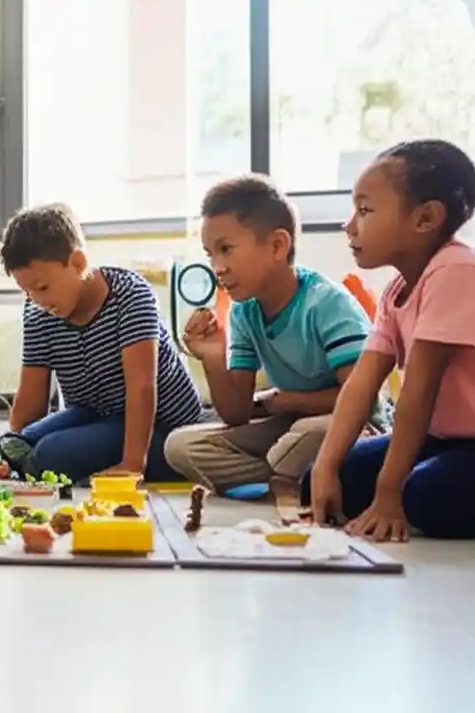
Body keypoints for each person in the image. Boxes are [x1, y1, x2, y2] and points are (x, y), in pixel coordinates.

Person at [305, 139, 475, 541]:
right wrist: (327, 467)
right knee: (321, 481)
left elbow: (418, 393)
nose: (349, 226)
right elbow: (361, 385)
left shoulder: (458, 271)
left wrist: (388, 495)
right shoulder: (397, 289)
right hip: (452, 441)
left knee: (424, 498)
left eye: (364, 211)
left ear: (425, 219)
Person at [165, 175, 388, 494]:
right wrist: (213, 356)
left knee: (305, 435)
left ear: (277, 245)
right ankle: (289, 478)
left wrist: (283, 401)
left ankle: (291, 474)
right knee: (180, 445)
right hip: (290, 428)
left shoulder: (326, 304)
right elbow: (236, 414)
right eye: (210, 254)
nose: (218, 267)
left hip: (350, 425)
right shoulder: (245, 311)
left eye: (226, 249)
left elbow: (361, 399)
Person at [0, 203, 204, 483]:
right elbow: (31, 393)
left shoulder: (131, 295)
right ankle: (32, 464)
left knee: (49, 453)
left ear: (78, 263)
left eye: (43, 287)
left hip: (162, 426)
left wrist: (132, 464)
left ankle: (42, 464)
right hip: (94, 415)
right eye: (27, 292)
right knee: (23, 439)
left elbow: (142, 385)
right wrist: (9, 459)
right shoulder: (38, 311)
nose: (37, 300)